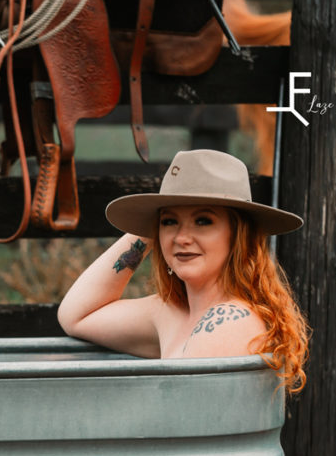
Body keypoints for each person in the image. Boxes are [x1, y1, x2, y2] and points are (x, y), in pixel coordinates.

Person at [57, 149, 309, 393]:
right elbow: (76, 316)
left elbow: (176, 420)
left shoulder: (230, 319)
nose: (181, 237)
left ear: (237, 236)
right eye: (169, 221)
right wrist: (147, 229)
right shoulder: (171, 311)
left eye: (203, 221)